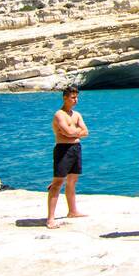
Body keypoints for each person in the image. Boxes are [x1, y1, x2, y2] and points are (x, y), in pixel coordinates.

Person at [48, 86, 89, 228]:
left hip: (76, 149)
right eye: (73, 97)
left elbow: (85, 131)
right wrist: (74, 132)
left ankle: (72, 211)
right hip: (63, 149)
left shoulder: (76, 115)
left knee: (73, 180)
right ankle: (50, 218)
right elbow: (67, 132)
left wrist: (73, 133)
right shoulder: (59, 115)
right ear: (65, 98)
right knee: (57, 183)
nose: (75, 100)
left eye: (77, 97)